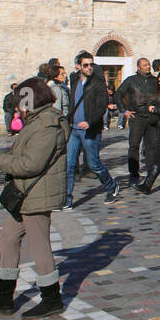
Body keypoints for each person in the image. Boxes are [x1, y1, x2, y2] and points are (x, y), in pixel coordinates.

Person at [0, 76, 67, 318]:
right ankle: (4, 298)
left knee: (39, 244)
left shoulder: (47, 123)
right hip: (25, 193)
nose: (17, 107)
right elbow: (22, 152)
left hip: (37, 192)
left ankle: (51, 298)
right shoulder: (36, 120)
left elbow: (31, 164)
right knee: (7, 238)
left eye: (21, 101)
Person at [65, 51, 120, 207]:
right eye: (86, 65)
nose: (89, 67)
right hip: (74, 129)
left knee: (93, 164)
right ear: (78, 66)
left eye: (91, 64)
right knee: (69, 165)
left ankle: (111, 186)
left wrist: (90, 121)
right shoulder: (74, 79)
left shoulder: (98, 83)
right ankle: (67, 199)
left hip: (90, 130)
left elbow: (101, 106)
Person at [116, 58, 159, 189]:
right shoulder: (131, 80)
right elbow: (118, 94)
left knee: (151, 146)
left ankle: (151, 170)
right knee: (134, 145)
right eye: (145, 65)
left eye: (149, 65)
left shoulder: (154, 80)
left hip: (151, 116)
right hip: (137, 117)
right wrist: (124, 111)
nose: (148, 67)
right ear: (139, 67)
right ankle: (134, 172)